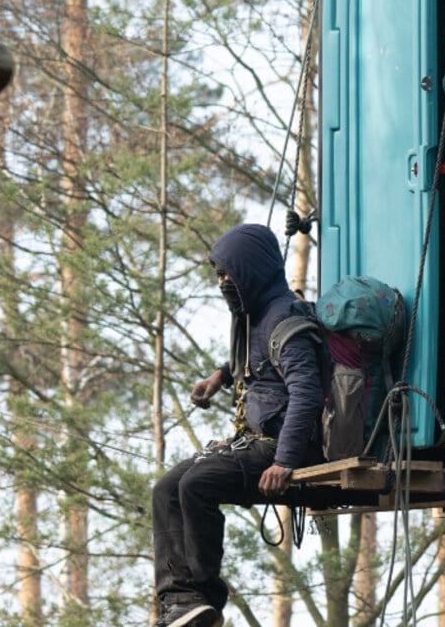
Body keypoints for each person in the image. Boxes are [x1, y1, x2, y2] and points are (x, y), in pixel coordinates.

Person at [151, 223, 324, 627]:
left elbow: (307, 393)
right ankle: (180, 602)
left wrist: (284, 461)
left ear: (253, 269)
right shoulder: (251, 314)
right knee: (165, 490)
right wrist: (220, 376)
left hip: (284, 445)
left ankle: (203, 596)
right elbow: (257, 360)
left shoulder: (285, 318)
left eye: (229, 273)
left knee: (197, 485)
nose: (223, 282)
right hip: (253, 439)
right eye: (218, 275)